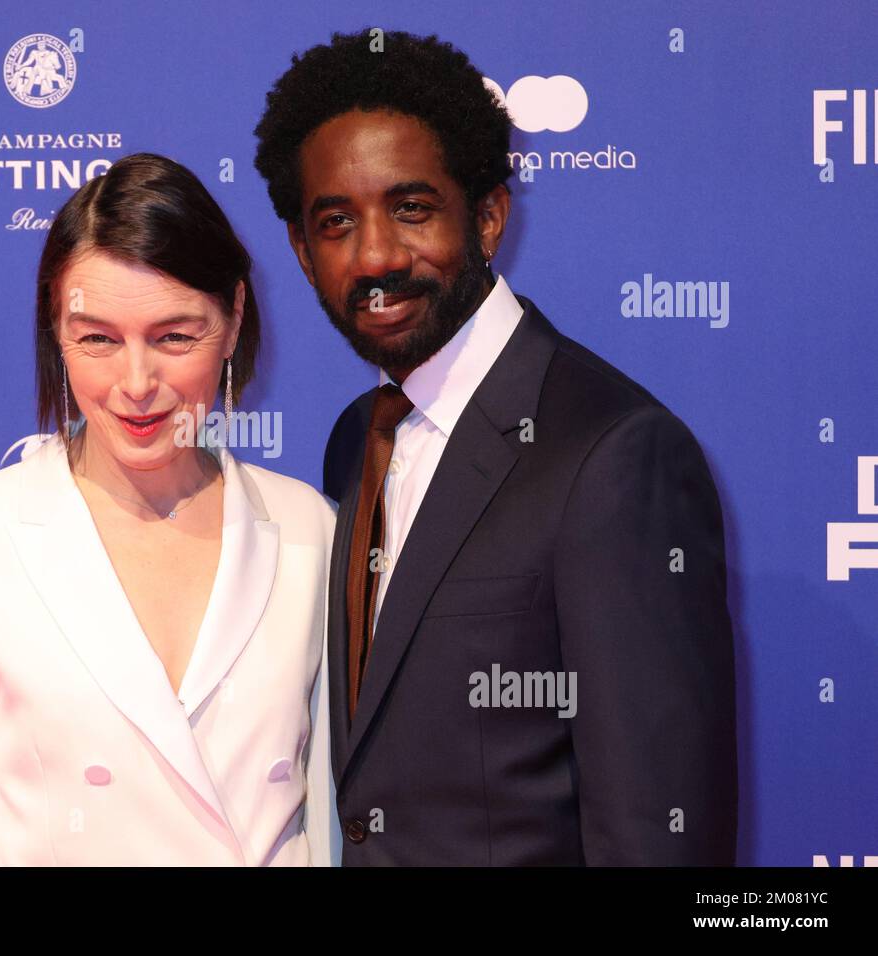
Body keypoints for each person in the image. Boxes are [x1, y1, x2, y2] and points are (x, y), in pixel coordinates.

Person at [253, 29, 738, 865]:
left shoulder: (615, 453)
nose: (375, 256)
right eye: (336, 221)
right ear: (301, 251)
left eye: (411, 208)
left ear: (487, 216)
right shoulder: (354, 443)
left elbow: (658, 836)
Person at [0, 152, 338, 866]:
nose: (136, 384)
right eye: (97, 339)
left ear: (234, 315)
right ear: (56, 336)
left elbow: (332, 826)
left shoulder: (313, 530)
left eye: (174, 337)